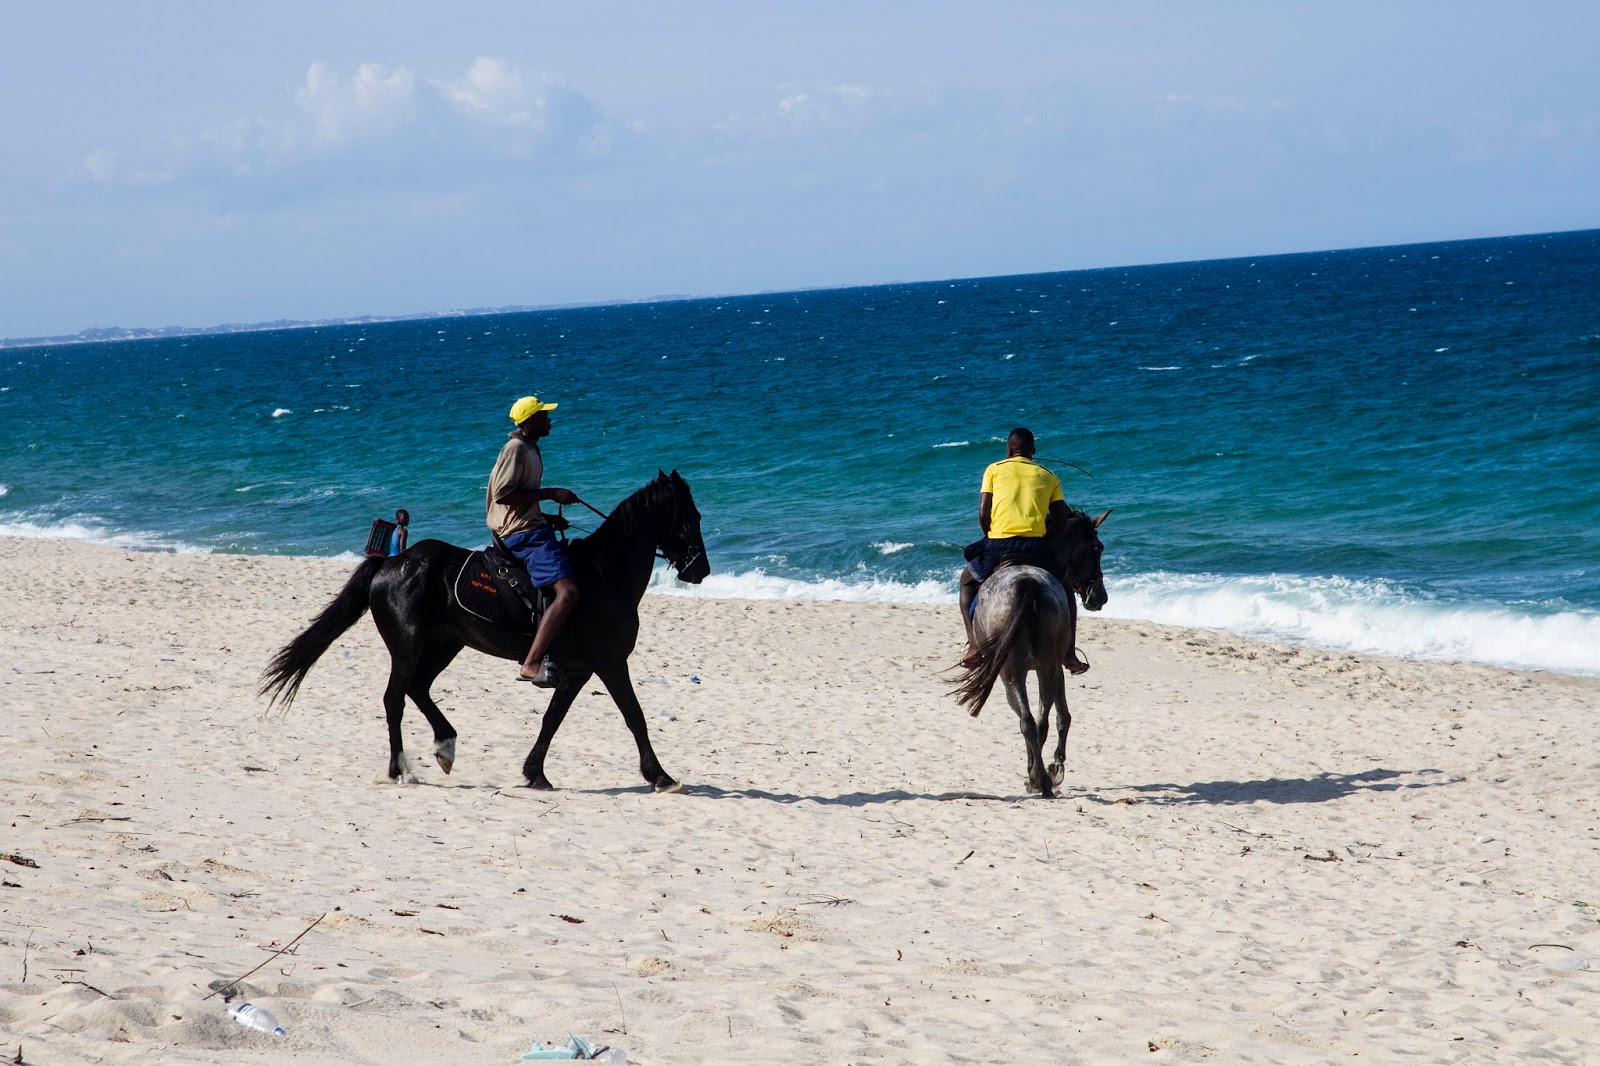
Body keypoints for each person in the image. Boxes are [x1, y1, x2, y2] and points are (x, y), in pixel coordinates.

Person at [959, 427, 1089, 675]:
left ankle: (974, 646)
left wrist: (991, 535)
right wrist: (1043, 540)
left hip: (998, 544)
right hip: (1035, 546)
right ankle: (1069, 653)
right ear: (1033, 451)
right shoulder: (1049, 475)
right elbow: (1061, 522)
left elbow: (983, 514)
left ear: (1008, 449)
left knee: (966, 581)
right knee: (1067, 589)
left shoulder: (994, 470)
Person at [487, 395, 581, 687]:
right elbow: (504, 494)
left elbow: (520, 498)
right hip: (522, 532)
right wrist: (551, 493)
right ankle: (533, 663)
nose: (549, 419)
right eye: (544, 415)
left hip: (529, 523)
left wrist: (549, 517)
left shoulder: (529, 448)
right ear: (529, 421)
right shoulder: (516, 449)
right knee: (568, 592)